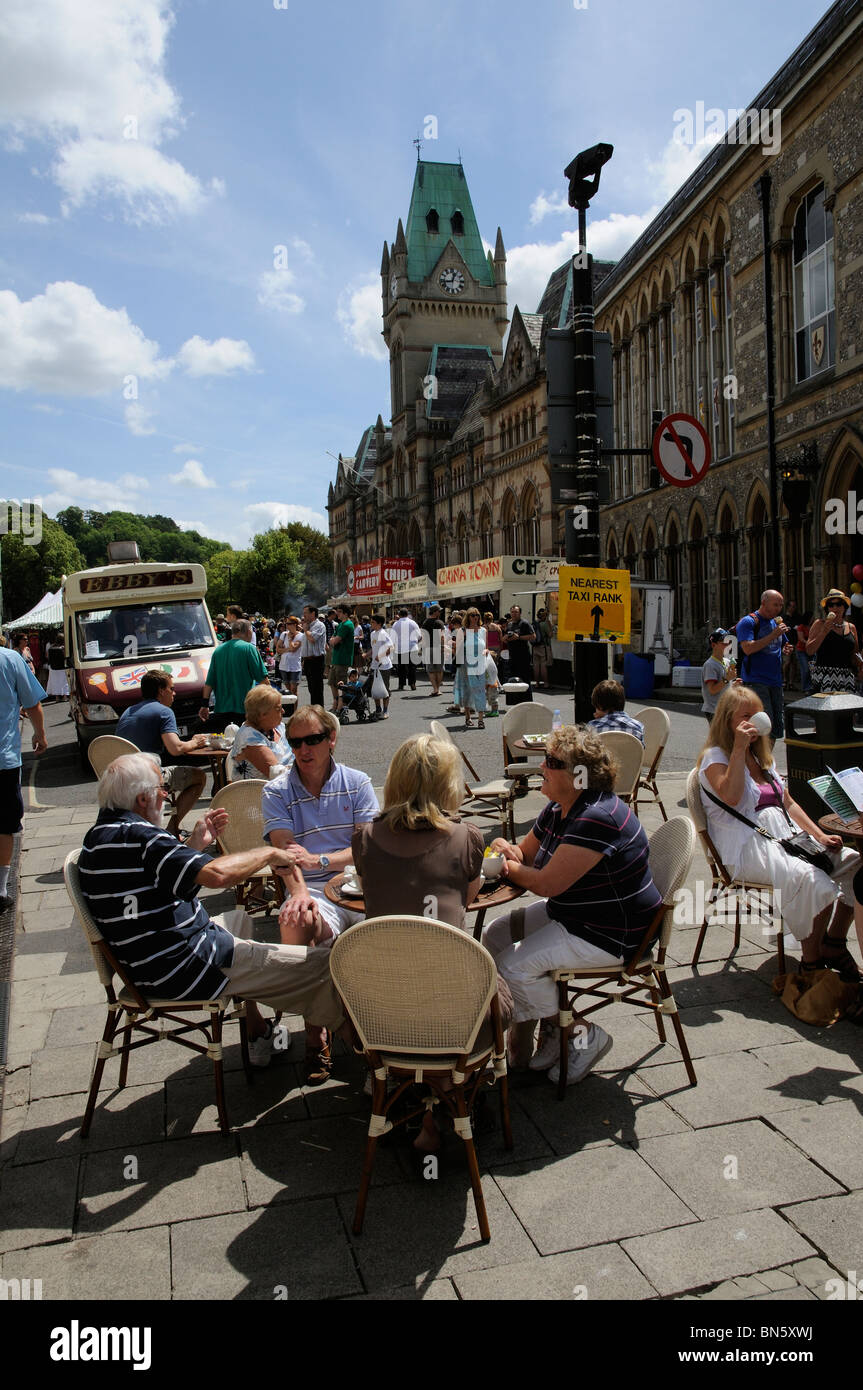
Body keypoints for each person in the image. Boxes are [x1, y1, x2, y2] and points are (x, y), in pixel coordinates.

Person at [79, 753, 348, 1068]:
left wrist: (194, 844)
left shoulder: (99, 837)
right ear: (142, 798)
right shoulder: (144, 838)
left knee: (239, 920)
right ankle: (374, 1061)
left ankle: (258, 1034)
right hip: (188, 966)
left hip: (144, 966)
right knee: (327, 967)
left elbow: (151, 884)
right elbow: (218, 877)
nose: (166, 794)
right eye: (161, 788)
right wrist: (267, 853)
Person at [482, 726, 662, 1085]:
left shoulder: (596, 818)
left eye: (551, 762)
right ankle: (541, 1035)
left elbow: (546, 883)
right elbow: (526, 855)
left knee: (512, 968)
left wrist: (508, 867)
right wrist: (509, 851)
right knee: (495, 936)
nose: (541, 767)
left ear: (579, 776)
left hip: (612, 932)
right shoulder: (559, 808)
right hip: (576, 913)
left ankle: (579, 1033)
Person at [698, 685, 863, 974]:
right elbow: (732, 796)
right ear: (728, 721)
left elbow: (788, 802)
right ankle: (810, 963)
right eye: (745, 715)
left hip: (787, 838)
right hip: (748, 845)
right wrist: (738, 748)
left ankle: (834, 942)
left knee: (855, 863)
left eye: (757, 714)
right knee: (816, 882)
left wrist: (819, 835)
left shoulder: (760, 756)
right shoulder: (716, 757)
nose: (754, 720)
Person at [262, 705, 379, 1082]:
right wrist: (297, 893)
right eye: (295, 742)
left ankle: (386, 1024)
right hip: (314, 888)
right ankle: (317, 1035)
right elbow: (284, 855)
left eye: (312, 740)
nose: (303, 750)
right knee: (296, 919)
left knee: (404, 926)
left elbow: (365, 849)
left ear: (331, 740)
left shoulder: (357, 782)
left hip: (360, 887)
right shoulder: (277, 790)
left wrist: (319, 858)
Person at [117, 670, 209, 836]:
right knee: (199, 777)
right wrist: (196, 742)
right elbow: (176, 749)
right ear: (161, 690)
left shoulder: (128, 711)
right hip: (146, 778)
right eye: (171, 689)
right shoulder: (164, 711)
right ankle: (172, 828)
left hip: (121, 778)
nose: (174, 693)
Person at [0, 644, 48, 912]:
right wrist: (40, 734)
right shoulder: (10, 659)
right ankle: (0, 889)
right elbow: (33, 704)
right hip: (3, 758)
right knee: (4, 824)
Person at [199, 619, 269, 732]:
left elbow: (209, 683)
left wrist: (204, 705)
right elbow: (264, 681)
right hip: (245, 711)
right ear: (248, 632)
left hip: (221, 710)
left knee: (226, 746)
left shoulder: (218, 651)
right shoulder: (249, 648)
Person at [736, 590, 788, 741]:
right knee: (763, 726)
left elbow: (781, 644)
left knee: (776, 727)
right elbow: (748, 648)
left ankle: (766, 760)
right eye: (775, 604)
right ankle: (759, 761)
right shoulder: (749, 622)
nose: (779, 608)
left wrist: (786, 649)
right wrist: (773, 635)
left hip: (775, 681)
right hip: (756, 681)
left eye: (781, 605)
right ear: (764, 603)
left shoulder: (775, 622)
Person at [229, 684, 295, 780]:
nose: (283, 711)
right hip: (259, 792)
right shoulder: (249, 738)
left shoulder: (277, 727)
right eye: (278, 709)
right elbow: (276, 774)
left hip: (288, 785)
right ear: (262, 714)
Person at [805, 589, 862, 693]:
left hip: (847, 677)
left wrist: (860, 665)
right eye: (831, 605)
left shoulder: (851, 627)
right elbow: (809, 650)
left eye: (839, 604)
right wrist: (824, 631)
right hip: (825, 676)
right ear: (827, 608)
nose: (835, 608)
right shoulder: (819, 624)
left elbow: (855, 655)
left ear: (844, 607)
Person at [453, 607, 487, 730]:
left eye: (477, 615)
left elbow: (485, 647)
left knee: (480, 691)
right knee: (467, 690)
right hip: (466, 664)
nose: (475, 617)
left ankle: (481, 719)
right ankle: (468, 717)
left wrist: (487, 651)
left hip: (480, 664)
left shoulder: (483, 630)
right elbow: (458, 650)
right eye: (472, 615)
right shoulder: (462, 631)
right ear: (468, 617)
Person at [588, 679, 645, 744]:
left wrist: (599, 720)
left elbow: (588, 751)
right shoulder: (638, 727)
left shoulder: (592, 727)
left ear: (599, 706)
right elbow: (641, 751)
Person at [701, 629, 739, 721]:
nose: (728, 645)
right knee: (719, 735)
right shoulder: (710, 665)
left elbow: (724, 685)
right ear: (714, 645)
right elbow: (712, 690)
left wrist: (733, 684)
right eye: (724, 643)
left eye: (729, 642)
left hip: (725, 708)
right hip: (714, 710)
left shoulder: (726, 661)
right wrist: (727, 679)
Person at [327, 604, 356, 710]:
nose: (337, 613)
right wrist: (334, 640)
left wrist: (334, 640)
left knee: (341, 684)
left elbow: (334, 641)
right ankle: (336, 702)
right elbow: (332, 639)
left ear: (345, 613)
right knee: (332, 682)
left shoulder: (347, 624)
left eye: (339, 611)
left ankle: (341, 705)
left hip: (343, 659)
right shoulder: (340, 625)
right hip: (336, 658)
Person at [367, 613, 393, 719]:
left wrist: (381, 656)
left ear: (379, 623)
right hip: (374, 666)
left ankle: (385, 711)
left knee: (384, 689)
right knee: (375, 689)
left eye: (372, 622)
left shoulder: (383, 633)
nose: (370, 624)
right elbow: (373, 649)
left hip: (384, 666)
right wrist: (366, 654)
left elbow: (391, 648)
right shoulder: (373, 633)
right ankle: (378, 709)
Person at [300, 605, 327, 707]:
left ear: (313, 613)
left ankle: (319, 711)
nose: (304, 615)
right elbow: (306, 645)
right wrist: (304, 659)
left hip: (317, 660)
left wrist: (306, 630)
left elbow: (312, 639)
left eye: (306, 613)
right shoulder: (308, 625)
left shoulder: (319, 625)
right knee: (311, 688)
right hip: (308, 660)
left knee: (317, 688)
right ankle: (314, 709)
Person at [502, 605, 534, 686]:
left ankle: (526, 698)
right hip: (512, 656)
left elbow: (533, 636)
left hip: (523, 656)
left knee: (524, 678)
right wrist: (505, 638)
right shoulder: (509, 625)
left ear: (520, 613)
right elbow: (505, 639)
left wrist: (519, 637)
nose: (514, 614)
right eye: (512, 612)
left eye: (516, 612)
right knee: (513, 679)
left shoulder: (524, 623)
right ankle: (516, 697)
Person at [392, 607, 421, 692]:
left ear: (399, 615)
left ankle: (401, 684)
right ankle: (412, 684)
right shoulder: (413, 623)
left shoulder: (396, 624)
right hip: (412, 647)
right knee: (412, 667)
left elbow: (393, 637)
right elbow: (419, 636)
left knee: (401, 667)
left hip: (400, 648)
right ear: (407, 614)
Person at [421, 603, 446, 696]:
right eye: (439, 611)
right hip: (438, 647)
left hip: (428, 648)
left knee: (431, 670)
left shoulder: (425, 622)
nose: (440, 612)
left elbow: (423, 636)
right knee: (439, 670)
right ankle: (438, 689)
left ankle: (435, 689)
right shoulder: (439, 622)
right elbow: (441, 636)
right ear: (435, 612)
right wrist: (443, 647)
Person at [276, 616, 302, 697]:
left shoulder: (301, 635)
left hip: (295, 666)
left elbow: (293, 649)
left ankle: (294, 709)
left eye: (289, 624)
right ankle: (290, 709)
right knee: (288, 690)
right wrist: (287, 650)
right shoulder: (283, 634)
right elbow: (277, 649)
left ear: (295, 624)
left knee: (293, 689)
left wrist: (290, 638)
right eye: (286, 624)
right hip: (283, 665)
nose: (286, 626)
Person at [44, 631, 70, 701]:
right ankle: (65, 697)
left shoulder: (51, 648)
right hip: (62, 667)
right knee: (64, 682)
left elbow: (47, 657)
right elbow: (65, 656)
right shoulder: (63, 648)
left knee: (55, 682)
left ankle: (57, 697)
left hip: (53, 668)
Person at [531, 608, 554, 688]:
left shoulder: (535, 623)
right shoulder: (544, 624)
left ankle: (537, 683)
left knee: (536, 665)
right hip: (543, 647)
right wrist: (550, 626)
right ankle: (546, 683)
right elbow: (550, 635)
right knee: (543, 665)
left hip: (535, 647)